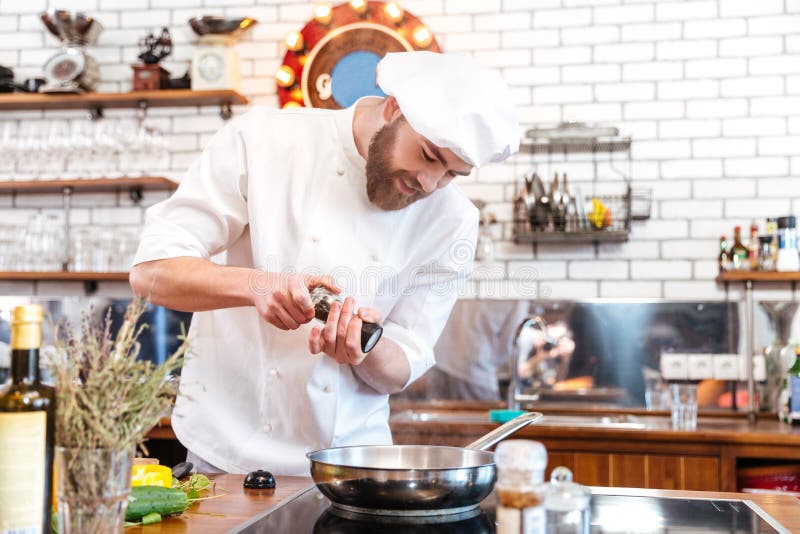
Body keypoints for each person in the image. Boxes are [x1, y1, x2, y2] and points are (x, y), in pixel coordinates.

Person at [129, 51, 519, 475]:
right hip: (223, 460)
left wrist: (363, 346)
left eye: (451, 174)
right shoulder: (263, 140)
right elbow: (151, 273)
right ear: (393, 108)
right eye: (428, 155)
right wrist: (256, 286)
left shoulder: (454, 219)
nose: (429, 184)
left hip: (352, 469)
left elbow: (403, 362)